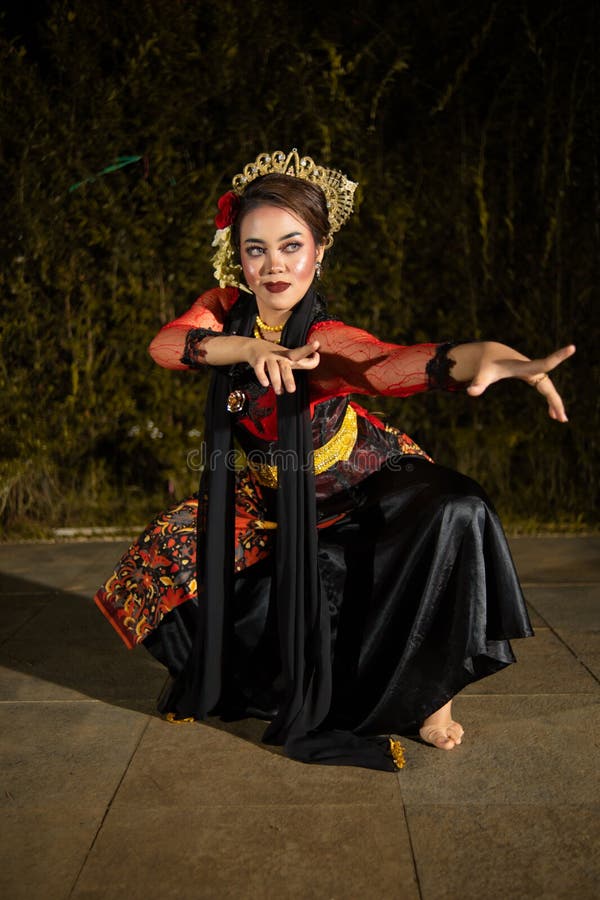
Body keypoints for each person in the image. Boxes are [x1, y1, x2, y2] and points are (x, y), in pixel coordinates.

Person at [94, 149, 575, 772]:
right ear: (237, 255)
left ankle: (433, 699)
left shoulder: (323, 340)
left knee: (455, 512)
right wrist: (245, 345)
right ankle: (239, 679)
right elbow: (165, 346)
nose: (274, 265)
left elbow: (390, 364)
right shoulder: (220, 308)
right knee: (164, 558)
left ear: (319, 250)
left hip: (363, 477)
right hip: (266, 492)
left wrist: (478, 357)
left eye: (291, 246)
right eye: (256, 248)